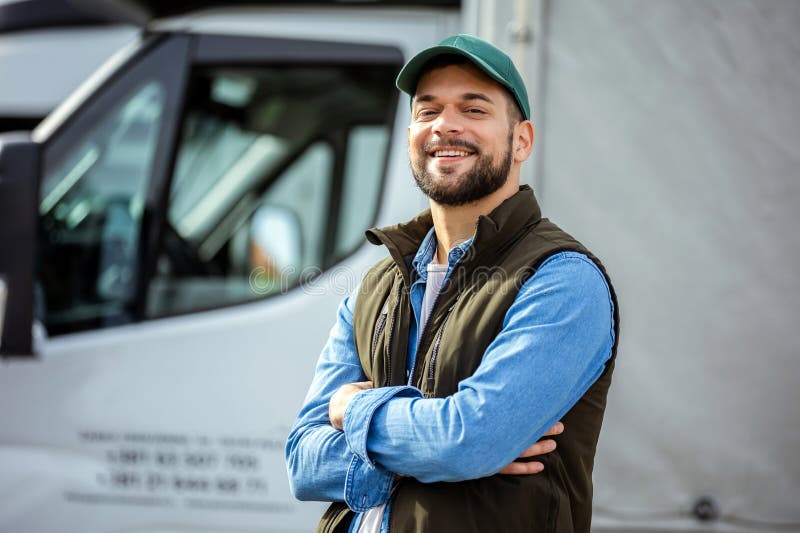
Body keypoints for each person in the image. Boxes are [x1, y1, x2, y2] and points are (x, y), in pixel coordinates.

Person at [285, 34, 619, 533]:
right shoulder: (375, 287)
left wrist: (352, 409)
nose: (445, 125)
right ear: (410, 135)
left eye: (474, 109)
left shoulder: (562, 278)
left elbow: (469, 441)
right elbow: (303, 461)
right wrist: (431, 454)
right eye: (428, 110)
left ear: (522, 140)